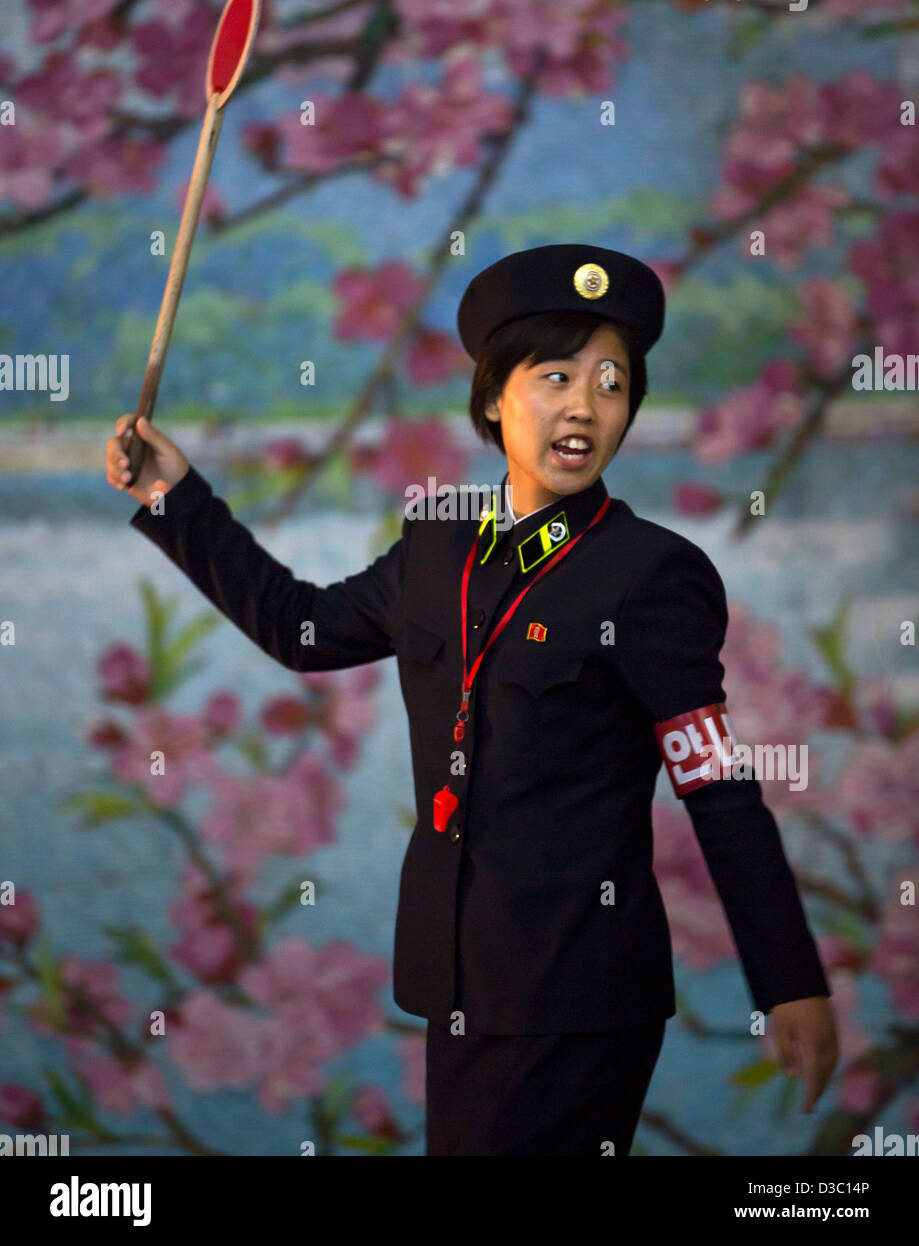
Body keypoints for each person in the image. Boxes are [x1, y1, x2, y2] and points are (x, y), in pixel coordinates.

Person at [106, 243, 838, 1156]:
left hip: (580, 989)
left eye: (611, 383)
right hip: (458, 979)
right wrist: (171, 496)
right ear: (493, 397)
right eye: (556, 375)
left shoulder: (653, 577)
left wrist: (787, 981)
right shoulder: (437, 545)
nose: (584, 405)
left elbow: (717, 785)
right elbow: (300, 630)